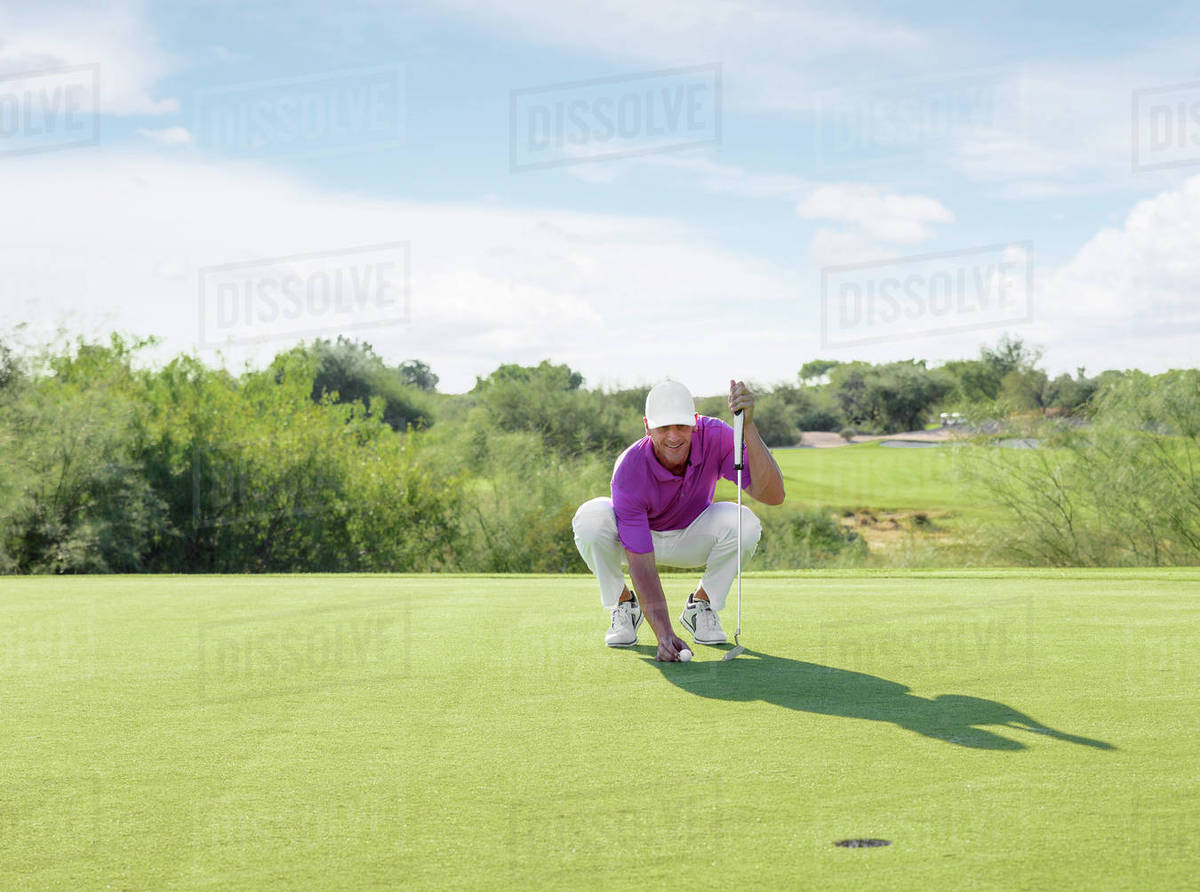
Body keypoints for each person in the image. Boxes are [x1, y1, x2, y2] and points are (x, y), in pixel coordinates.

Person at [572, 379, 786, 662]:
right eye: (663, 428)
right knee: (590, 519)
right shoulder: (629, 468)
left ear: (695, 422)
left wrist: (748, 427)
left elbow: (773, 495)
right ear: (647, 427)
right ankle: (623, 604)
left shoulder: (718, 437)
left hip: (691, 535)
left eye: (682, 426)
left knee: (744, 522)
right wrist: (664, 633)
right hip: (637, 544)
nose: (673, 436)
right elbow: (641, 565)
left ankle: (701, 604)